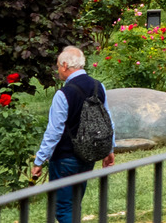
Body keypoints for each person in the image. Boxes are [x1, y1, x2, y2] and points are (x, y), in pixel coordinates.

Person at [31, 47, 115, 223]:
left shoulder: (64, 94)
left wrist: (39, 161)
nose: (58, 70)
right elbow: (108, 120)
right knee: (74, 204)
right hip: (88, 155)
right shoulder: (98, 86)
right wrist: (109, 149)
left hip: (65, 158)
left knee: (63, 209)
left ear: (65, 65)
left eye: (58, 66)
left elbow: (54, 132)